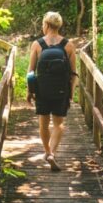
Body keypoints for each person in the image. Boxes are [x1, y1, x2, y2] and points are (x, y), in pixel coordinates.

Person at [26, 11, 78, 171]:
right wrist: (71, 93)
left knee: (43, 124)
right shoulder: (68, 45)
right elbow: (74, 74)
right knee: (58, 124)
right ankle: (52, 154)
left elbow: (30, 72)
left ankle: (47, 151)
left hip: (42, 91)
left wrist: (30, 91)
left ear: (46, 25)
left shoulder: (37, 44)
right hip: (61, 91)